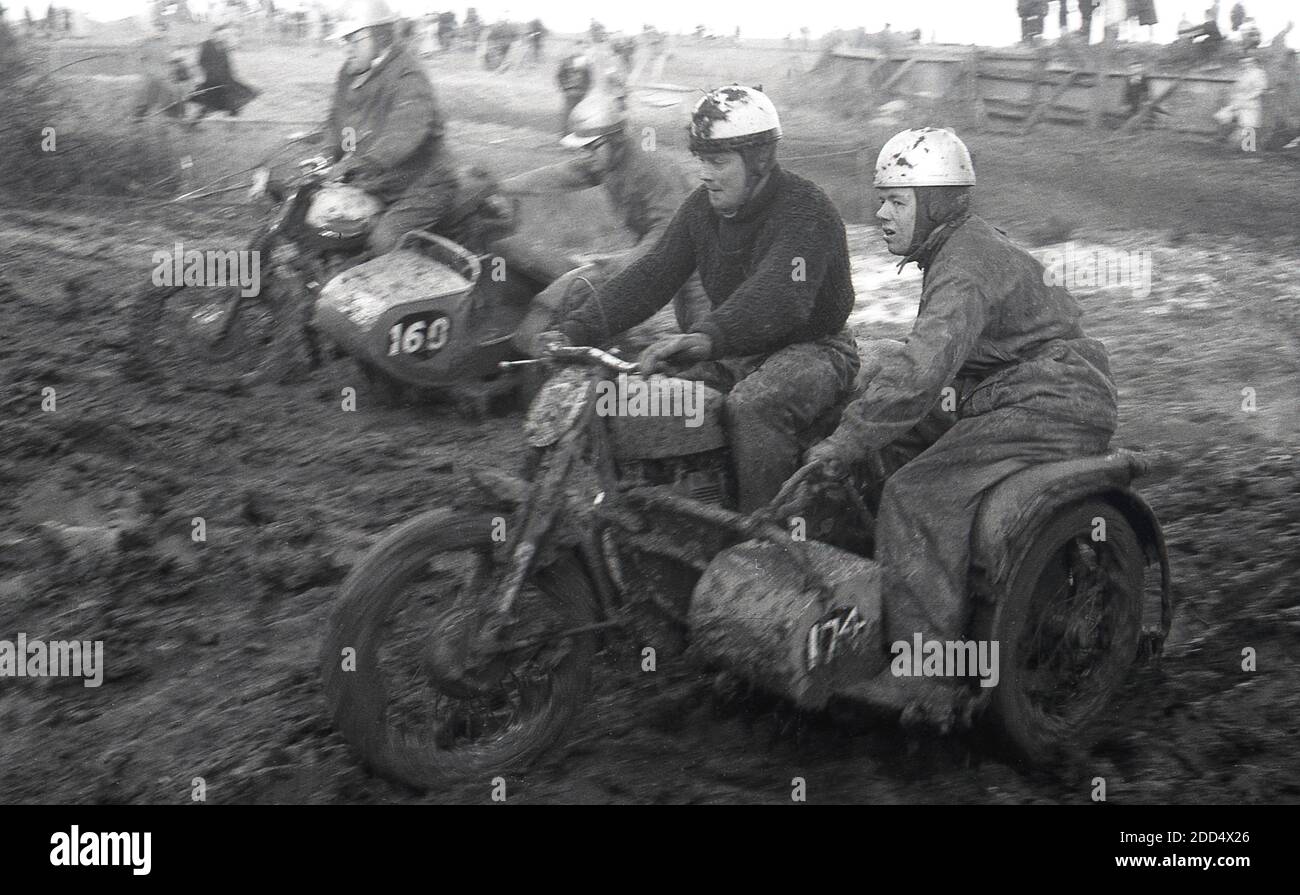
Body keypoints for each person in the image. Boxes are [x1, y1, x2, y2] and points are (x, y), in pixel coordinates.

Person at [799, 127, 1119, 725]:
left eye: (896, 202)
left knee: (917, 492)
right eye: (882, 200)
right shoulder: (955, 248)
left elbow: (922, 373)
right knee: (885, 426)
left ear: (936, 204)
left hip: (1052, 399)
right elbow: (929, 364)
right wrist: (861, 422)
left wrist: (845, 440)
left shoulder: (964, 265)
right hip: (1009, 387)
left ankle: (927, 679)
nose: (880, 214)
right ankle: (875, 599)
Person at [532, 85, 860, 513]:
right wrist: (576, 330)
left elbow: (780, 295)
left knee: (753, 406)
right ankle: (664, 503)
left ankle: (767, 530)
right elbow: (652, 275)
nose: (705, 173)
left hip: (816, 350)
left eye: (718, 161)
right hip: (738, 349)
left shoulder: (805, 209)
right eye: (701, 159)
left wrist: (707, 336)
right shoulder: (702, 209)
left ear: (761, 159)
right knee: (644, 399)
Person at [500, 92, 710, 353]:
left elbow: (669, 230)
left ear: (616, 140)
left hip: (701, 249)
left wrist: (626, 261)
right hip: (670, 248)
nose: (587, 155)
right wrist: (503, 186)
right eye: (583, 149)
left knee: (702, 328)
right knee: (684, 321)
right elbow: (563, 175)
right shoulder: (608, 160)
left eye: (592, 147)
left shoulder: (650, 168)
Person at [323, 0, 460, 253]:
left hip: (424, 182)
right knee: (326, 220)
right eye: (345, 40)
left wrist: (361, 162)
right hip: (378, 179)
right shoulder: (350, 72)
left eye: (355, 40)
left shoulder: (409, 74)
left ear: (381, 36)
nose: (348, 48)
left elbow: (404, 131)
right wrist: (328, 155)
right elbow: (339, 121)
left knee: (384, 240)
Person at [192, 23, 259, 118]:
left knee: (237, 92)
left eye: (223, 35)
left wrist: (231, 73)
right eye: (219, 34)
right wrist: (210, 71)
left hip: (225, 76)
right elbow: (201, 61)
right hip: (212, 78)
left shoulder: (223, 45)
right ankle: (199, 117)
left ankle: (233, 112)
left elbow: (227, 62)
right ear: (214, 34)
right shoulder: (206, 44)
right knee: (210, 99)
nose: (221, 37)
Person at [555, 51, 595, 136]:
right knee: (569, 113)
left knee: (579, 113)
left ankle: (577, 132)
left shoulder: (584, 64)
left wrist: (585, 89)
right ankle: (566, 133)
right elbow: (560, 76)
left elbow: (589, 78)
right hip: (571, 92)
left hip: (580, 92)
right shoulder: (566, 63)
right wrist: (565, 87)